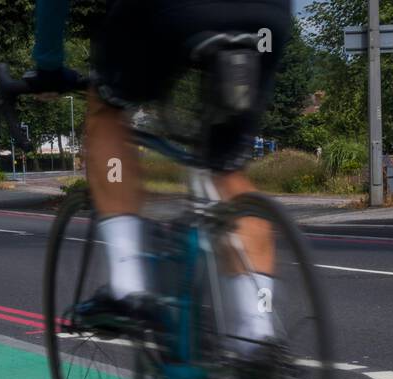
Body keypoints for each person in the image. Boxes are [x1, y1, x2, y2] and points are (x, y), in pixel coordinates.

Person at [25, 0, 293, 356]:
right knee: (228, 169)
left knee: (107, 109)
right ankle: (258, 337)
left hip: (172, 11)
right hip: (265, 16)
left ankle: (127, 285)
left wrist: (48, 65)